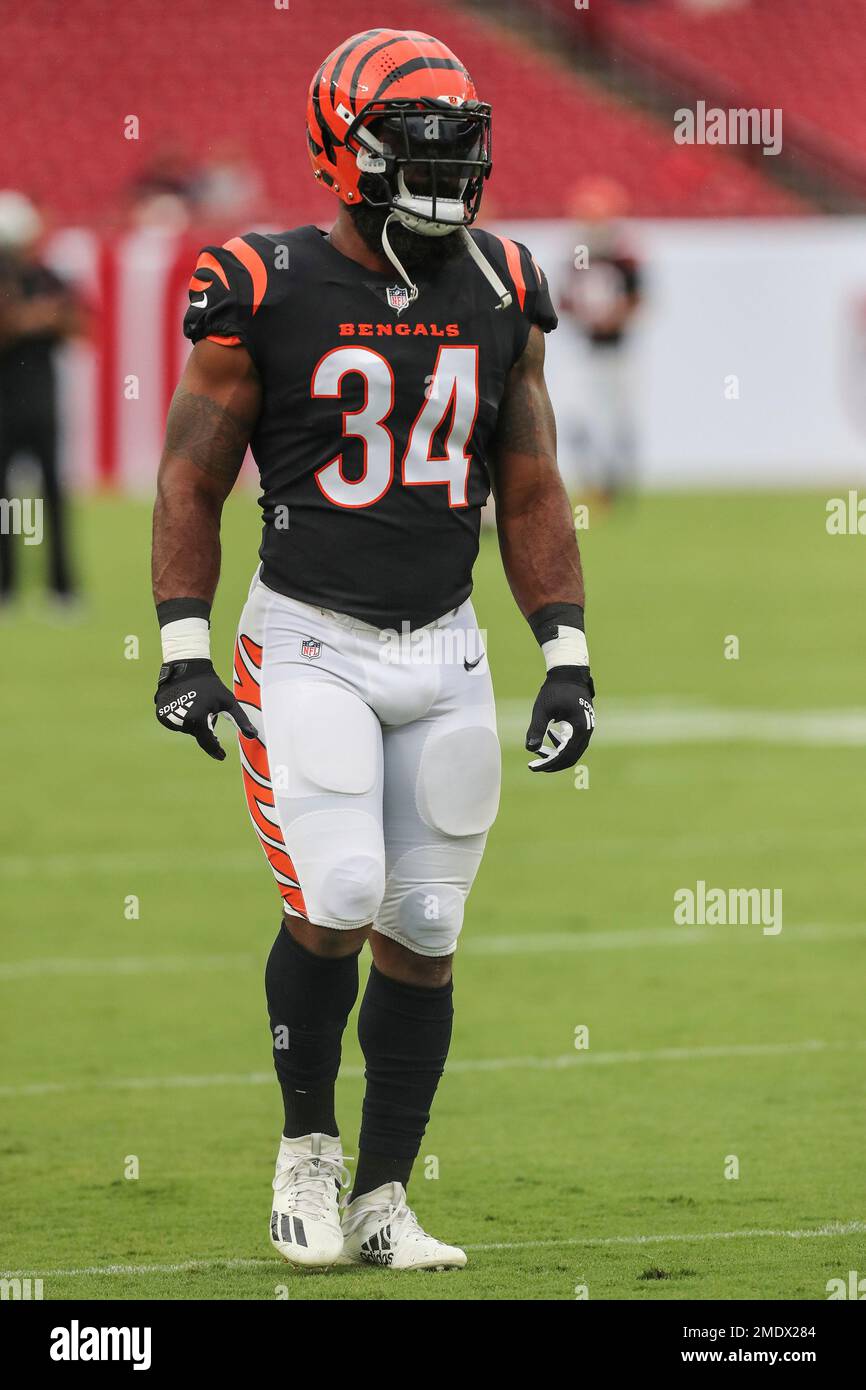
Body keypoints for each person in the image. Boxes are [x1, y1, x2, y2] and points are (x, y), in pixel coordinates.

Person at [151, 29, 596, 1272]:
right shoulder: (265, 283)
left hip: (444, 643)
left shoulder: (503, 282)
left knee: (429, 920)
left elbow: (531, 478)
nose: (446, 171)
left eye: (461, 145)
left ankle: (387, 1194)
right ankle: (306, 1148)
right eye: (419, 146)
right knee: (340, 894)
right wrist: (185, 646)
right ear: (342, 153)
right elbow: (190, 479)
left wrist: (563, 650)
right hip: (309, 639)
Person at [0, 192, 80, 605]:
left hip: (42, 405)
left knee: (53, 496)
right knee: (5, 503)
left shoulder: (49, 276)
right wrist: (38, 317)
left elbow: (75, 324)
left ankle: (61, 587)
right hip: (6, 408)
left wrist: (32, 317)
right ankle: (6, 585)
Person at [560, 177, 642, 503]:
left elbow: (637, 300)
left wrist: (611, 317)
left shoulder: (623, 258)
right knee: (577, 414)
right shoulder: (576, 256)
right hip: (585, 349)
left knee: (616, 416)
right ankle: (592, 479)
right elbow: (565, 301)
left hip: (617, 350)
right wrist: (585, 316)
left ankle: (615, 482)